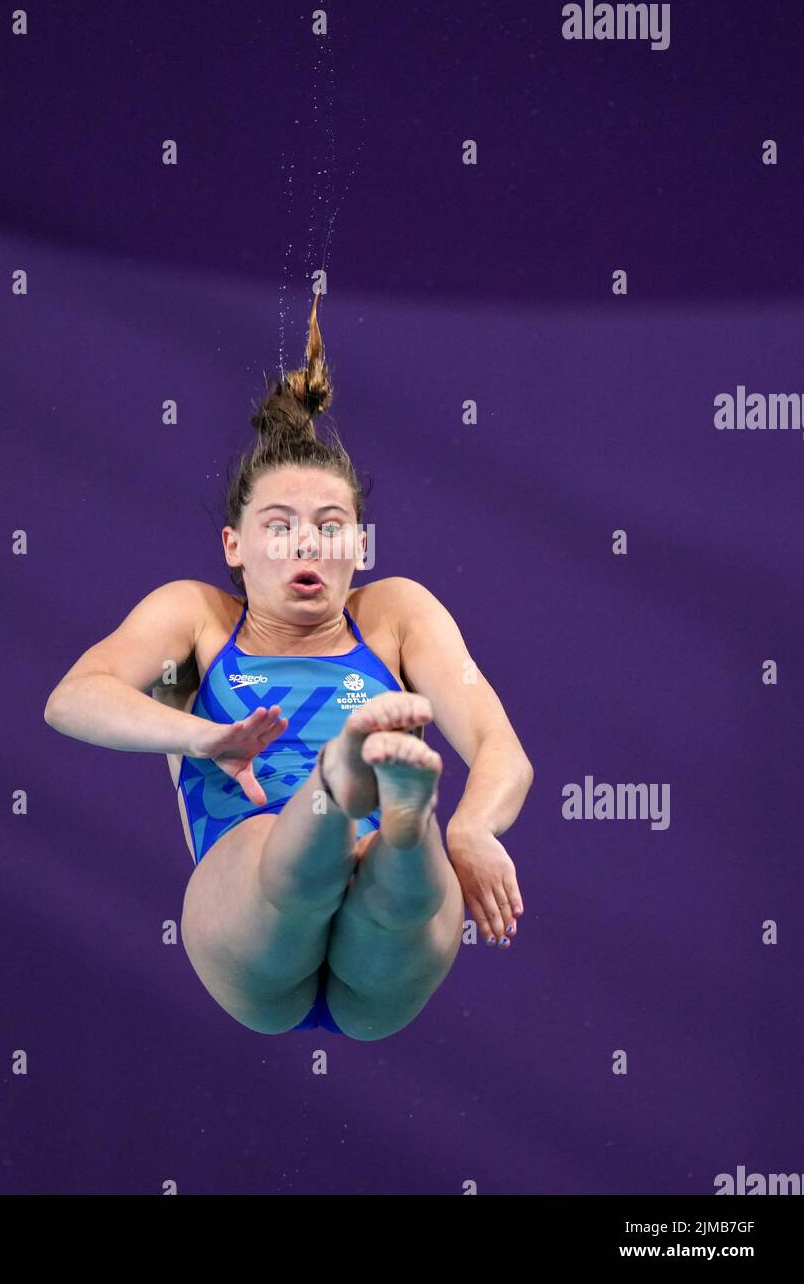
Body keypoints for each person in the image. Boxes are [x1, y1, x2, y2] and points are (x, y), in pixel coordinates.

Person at [44, 294, 534, 1039]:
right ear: (232, 546)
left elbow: (502, 751)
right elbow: (74, 698)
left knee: (400, 891)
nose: (307, 544)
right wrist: (202, 737)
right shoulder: (198, 616)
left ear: (359, 548)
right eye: (279, 526)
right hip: (245, 926)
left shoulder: (395, 611)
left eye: (330, 527)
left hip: (383, 967)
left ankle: (403, 819)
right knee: (281, 871)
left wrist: (472, 829)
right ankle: (338, 790)